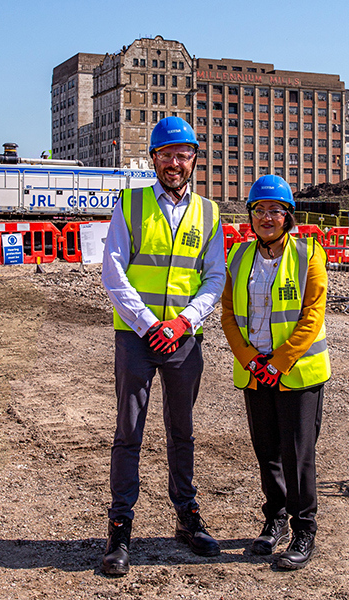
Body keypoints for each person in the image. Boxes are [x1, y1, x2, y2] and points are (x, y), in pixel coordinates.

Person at [99, 116, 226, 576]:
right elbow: (113, 270)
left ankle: (187, 517)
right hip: (136, 337)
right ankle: (120, 527)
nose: (175, 162)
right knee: (128, 432)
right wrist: (152, 323)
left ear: (194, 158)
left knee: (182, 431)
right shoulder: (130, 204)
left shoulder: (209, 214)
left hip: (184, 340)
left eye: (183, 154)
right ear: (153, 158)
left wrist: (185, 322)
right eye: (166, 154)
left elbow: (214, 277)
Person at [221, 174, 330, 570]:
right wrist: (251, 359)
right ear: (251, 215)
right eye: (260, 210)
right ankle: (276, 520)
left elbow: (312, 315)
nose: (267, 217)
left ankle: (304, 529)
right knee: (266, 451)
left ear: (289, 216)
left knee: (297, 454)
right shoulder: (238, 257)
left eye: (276, 211)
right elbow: (229, 315)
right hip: (255, 372)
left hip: (297, 374)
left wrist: (279, 363)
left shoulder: (309, 255)